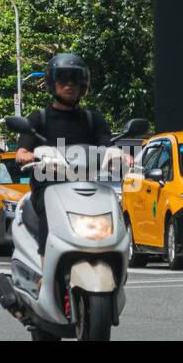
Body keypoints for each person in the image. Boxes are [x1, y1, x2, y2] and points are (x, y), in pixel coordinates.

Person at [14, 53, 113, 256]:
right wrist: (25, 155)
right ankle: (45, 267)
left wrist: (120, 156)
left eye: (75, 79)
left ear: (83, 85)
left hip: (87, 186)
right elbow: (22, 150)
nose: (69, 85)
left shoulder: (93, 120)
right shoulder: (38, 119)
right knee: (50, 213)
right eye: (63, 79)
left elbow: (108, 147)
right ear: (53, 83)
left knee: (112, 212)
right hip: (49, 186)